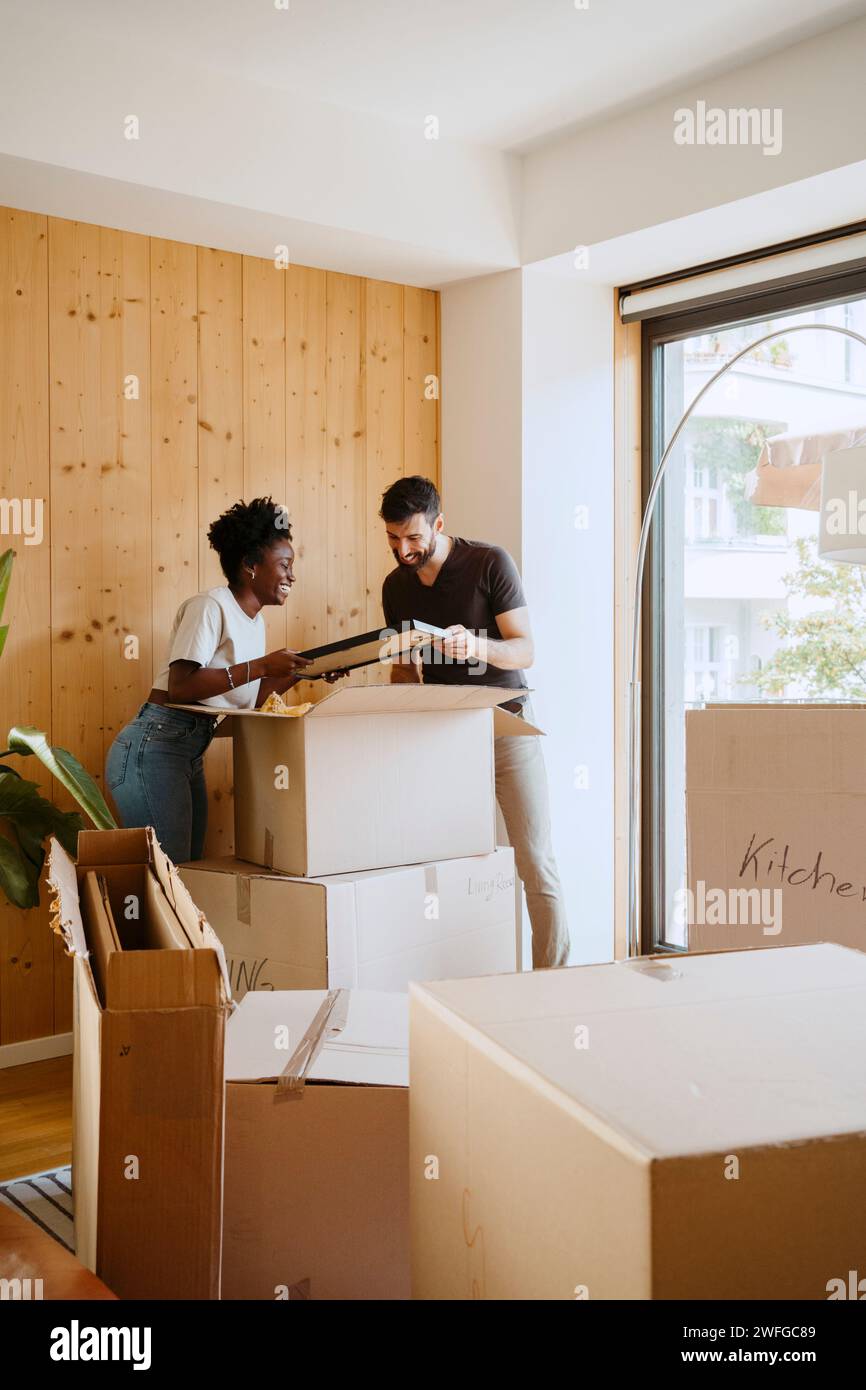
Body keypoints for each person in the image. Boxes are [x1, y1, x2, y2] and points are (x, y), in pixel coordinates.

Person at [379, 476, 570, 970]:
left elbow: (525, 647)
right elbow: (406, 670)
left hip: (507, 725)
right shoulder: (395, 587)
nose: (403, 550)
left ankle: (555, 982)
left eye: (414, 538)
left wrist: (477, 646)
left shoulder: (489, 562)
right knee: (449, 864)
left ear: (439, 525)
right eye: (393, 539)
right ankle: (466, 979)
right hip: (446, 735)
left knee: (535, 862)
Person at [106, 497, 333, 864]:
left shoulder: (253, 622)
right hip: (154, 747)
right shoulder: (209, 606)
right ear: (250, 566)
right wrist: (261, 665)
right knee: (170, 877)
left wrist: (300, 673)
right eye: (284, 565)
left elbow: (249, 698)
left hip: (187, 752)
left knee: (188, 871)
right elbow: (181, 686)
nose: (292, 576)